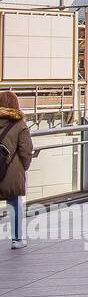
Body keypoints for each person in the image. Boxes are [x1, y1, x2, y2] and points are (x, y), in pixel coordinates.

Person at [0, 92, 34, 249]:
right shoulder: (20, 124)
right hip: (11, 171)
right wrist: (24, 168)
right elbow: (26, 150)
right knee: (14, 203)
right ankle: (17, 239)